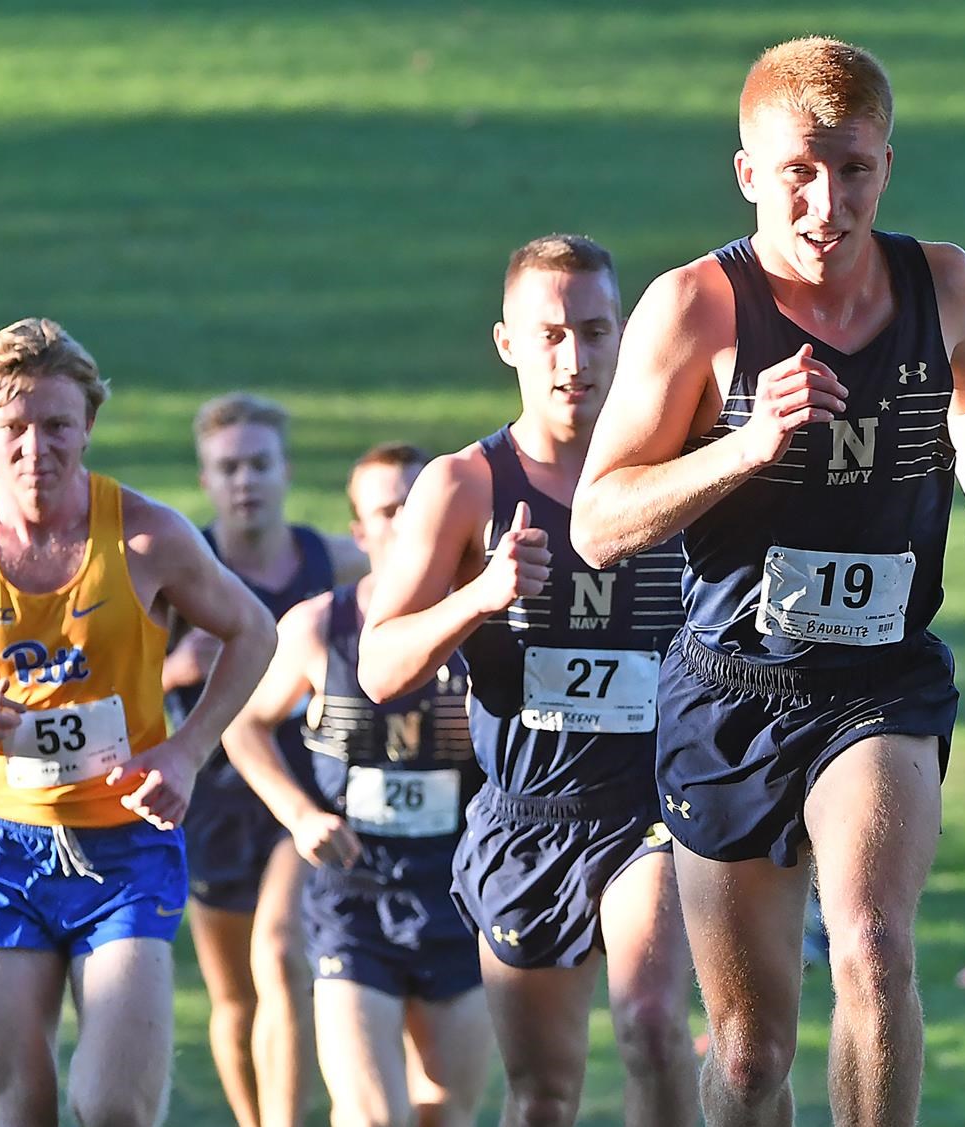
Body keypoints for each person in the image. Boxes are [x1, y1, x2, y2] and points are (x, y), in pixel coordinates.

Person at [569, 37, 965, 1127]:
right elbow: (599, 522)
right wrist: (744, 443)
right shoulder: (696, 308)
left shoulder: (940, 282)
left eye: (853, 169)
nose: (826, 201)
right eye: (797, 170)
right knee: (748, 1059)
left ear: (888, 163)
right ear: (748, 172)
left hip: (879, 681)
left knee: (875, 947)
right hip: (729, 689)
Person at [0, 318, 278, 1127]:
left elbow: (252, 628)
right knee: (20, 1108)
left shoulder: (147, 534)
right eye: (12, 427)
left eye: (56, 425)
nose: (35, 448)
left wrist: (188, 750)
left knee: (113, 1105)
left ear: (87, 424)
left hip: (125, 842)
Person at [359, 235, 698, 1127]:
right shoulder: (464, 486)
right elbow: (380, 666)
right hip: (529, 817)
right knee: (543, 1092)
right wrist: (480, 595)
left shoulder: (678, 468)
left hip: (655, 806)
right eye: (549, 335)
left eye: (593, 330)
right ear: (507, 342)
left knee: (656, 1027)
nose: (574, 359)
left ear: (623, 332)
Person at [222, 442, 493, 1127]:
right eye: (387, 509)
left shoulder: (486, 622)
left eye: (418, 505)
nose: (405, 523)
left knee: (444, 1113)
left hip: (459, 891)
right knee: (373, 1115)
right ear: (359, 531)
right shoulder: (317, 628)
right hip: (353, 892)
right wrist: (299, 814)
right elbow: (243, 725)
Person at [163, 392, 370, 1127]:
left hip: (301, 791)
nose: (244, 479)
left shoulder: (331, 560)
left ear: (284, 472)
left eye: (258, 463)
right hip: (207, 799)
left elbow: (404, 577)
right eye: (227, 467)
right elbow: (104, 670)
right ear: (206, 479)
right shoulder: (179, 568)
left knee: (281, 953)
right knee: (234, 999)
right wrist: (174, 670)